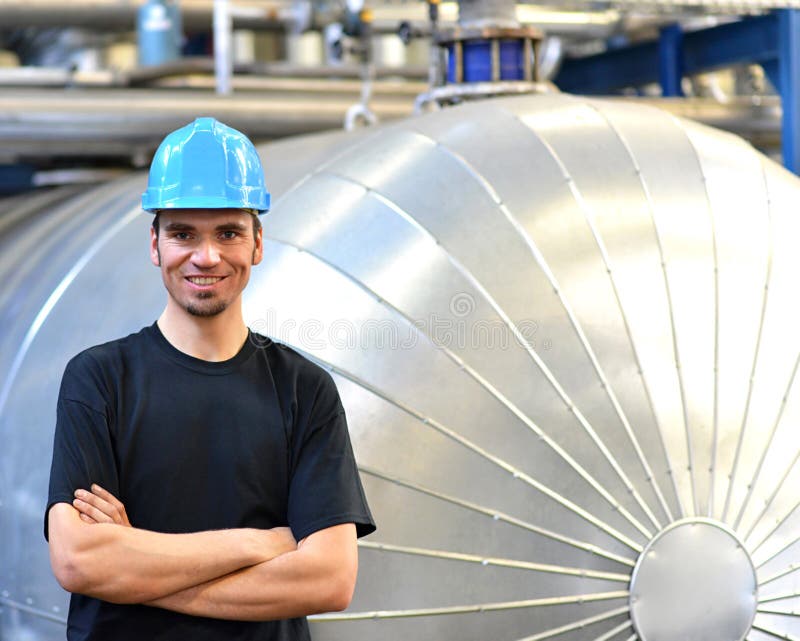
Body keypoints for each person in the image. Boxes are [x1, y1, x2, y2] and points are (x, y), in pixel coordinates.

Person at [44, 117, 376, 641]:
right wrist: (257, 543)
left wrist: (136, 563)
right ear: (155, 244)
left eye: (228, 233)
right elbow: (79, 563)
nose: (206, 256)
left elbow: (329, 579)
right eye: (182, 234)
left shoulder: (304, 389)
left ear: (257, 243)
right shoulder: (99, 380)